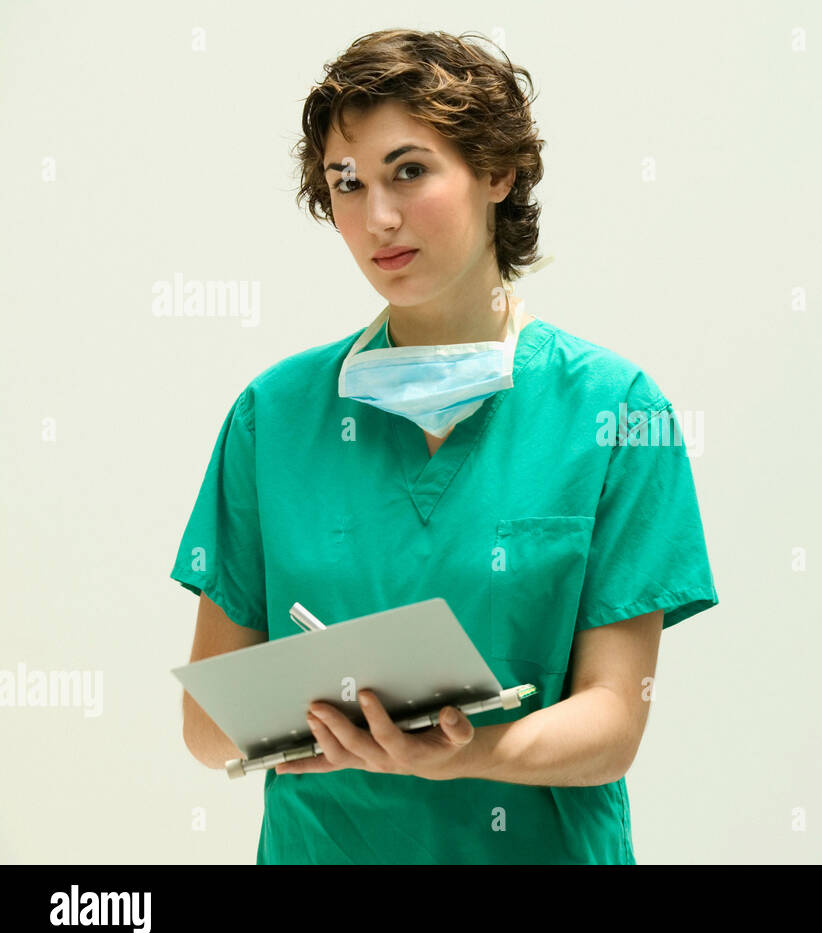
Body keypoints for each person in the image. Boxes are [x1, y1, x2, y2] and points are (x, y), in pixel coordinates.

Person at [171, 29, 718, 864]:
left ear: (497, 172)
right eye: (345, 182)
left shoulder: (613, 411)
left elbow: (614, 721)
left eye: (410, 170)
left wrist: (461, 755)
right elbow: (208, 730)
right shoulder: (273, 417)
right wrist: (315, 711)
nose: (377, 216)